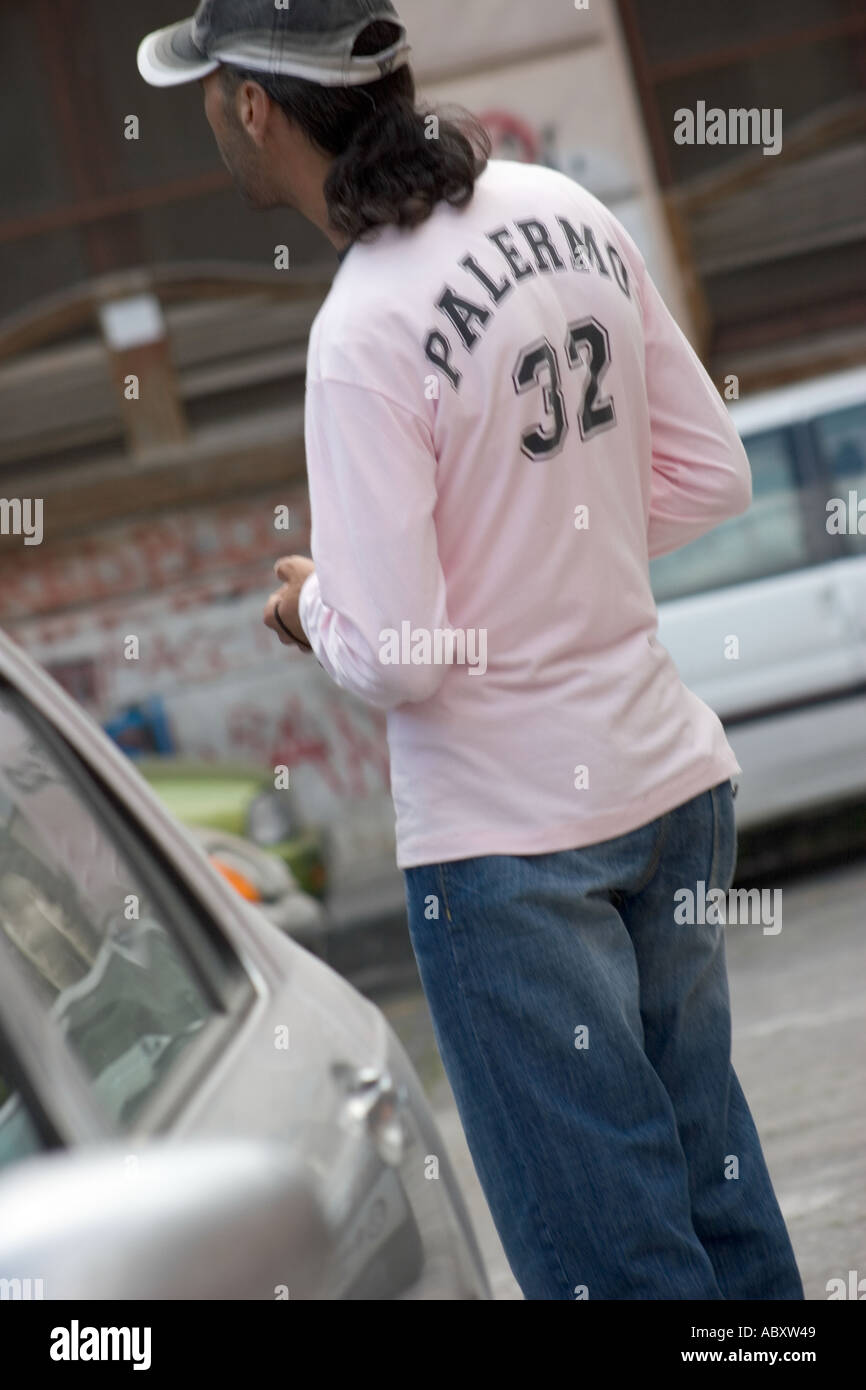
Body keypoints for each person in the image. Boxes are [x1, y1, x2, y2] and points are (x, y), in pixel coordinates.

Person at [138, 0, 804, 1301]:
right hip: (670, 786)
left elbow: (394, 653)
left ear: (253, 104)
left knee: (613, 1258)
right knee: (716, 1199)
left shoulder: (362, 327)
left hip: (509, 851)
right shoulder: (562, 208)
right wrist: (562, 557)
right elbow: (707, 470)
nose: (211, 114)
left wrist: (313, 601)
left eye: (208, 89)